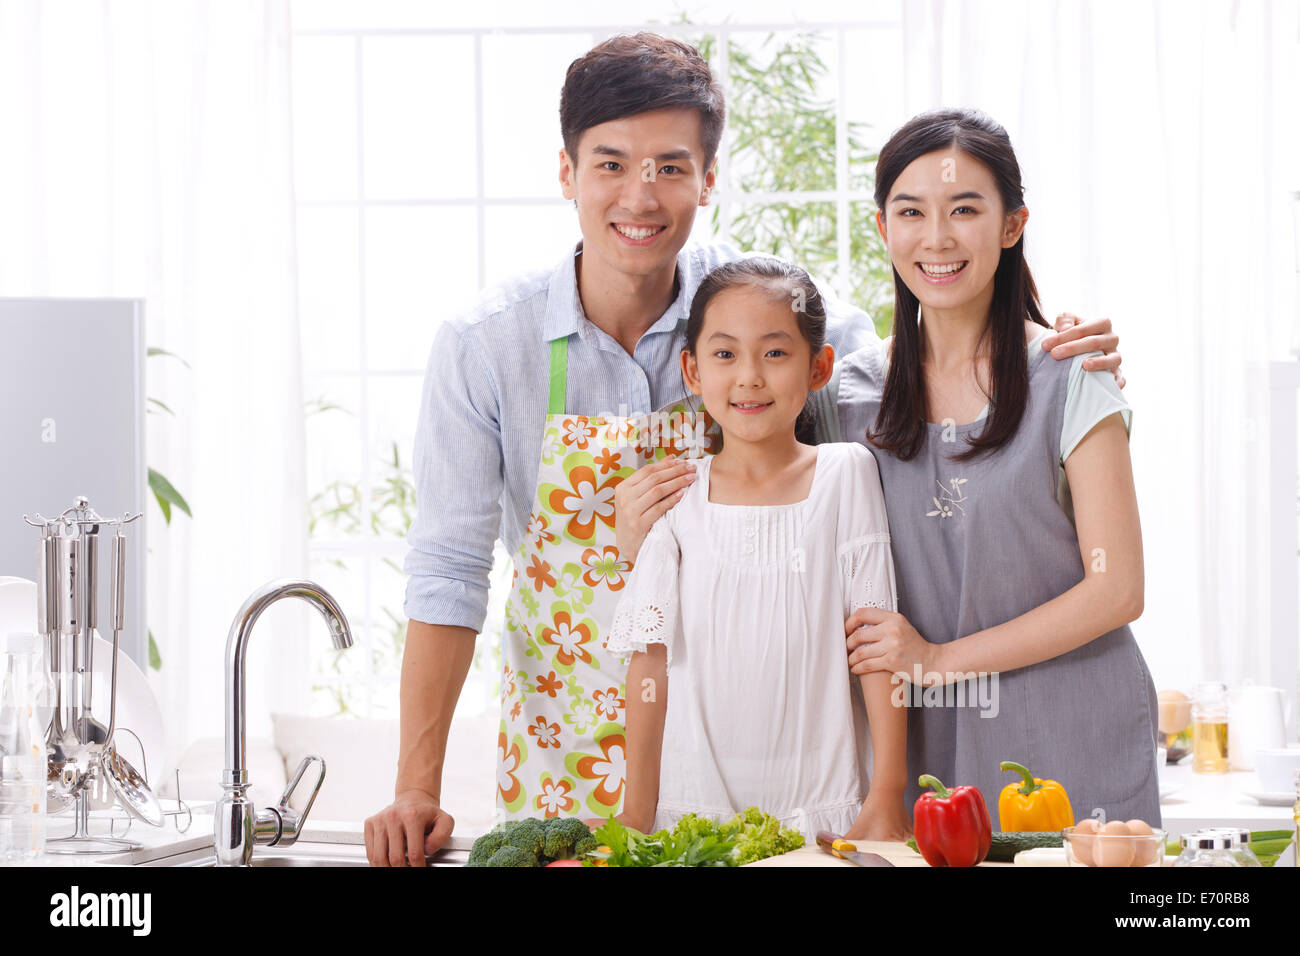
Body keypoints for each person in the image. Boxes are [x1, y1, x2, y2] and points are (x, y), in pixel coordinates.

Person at [364, 32, 1124, 867]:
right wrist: (416, 787)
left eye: (671, 166)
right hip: (562, 746)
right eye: (611, 163)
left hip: (746, 769)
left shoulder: (750, 303)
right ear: (567, 172)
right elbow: (448, 572)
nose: (640, 195)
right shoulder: (485, 346)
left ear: (708, 178)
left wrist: (1050, 354)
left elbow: (910, 356)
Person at [836, 108, 1160, 824]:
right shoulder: (847, 396)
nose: (937, 237)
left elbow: (1118, 588)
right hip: (921, 761)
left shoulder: (1074, 376)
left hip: (1073, 745)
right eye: (911, 212)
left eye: (965, 209)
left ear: (1012, 225)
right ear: (883, 228)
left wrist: (936, 661)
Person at [607, 257, 911, 842]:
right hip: (693, 813)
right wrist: (636, 812)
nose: (749, 376)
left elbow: (876, 645)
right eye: (725, 354)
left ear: (819, 366)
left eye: (774, 352)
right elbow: (649, 664)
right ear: (692, 370)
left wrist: (887, 790)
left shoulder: (846, 474)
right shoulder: (676, 495)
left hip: (826, 810)